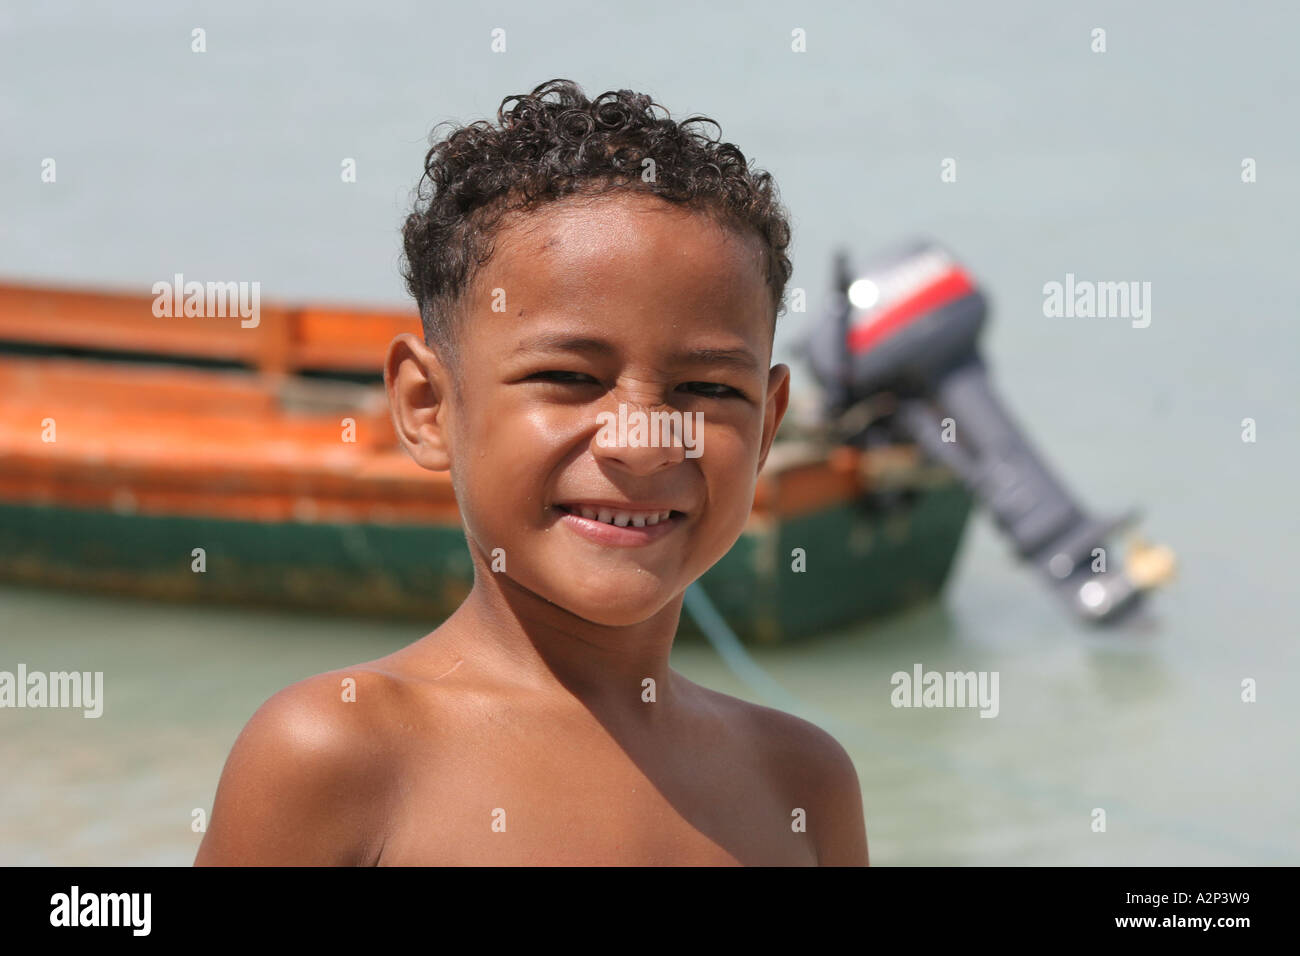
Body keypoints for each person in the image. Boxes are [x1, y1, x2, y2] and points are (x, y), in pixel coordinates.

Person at [194, 79, 868, 866]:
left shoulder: (801, 785)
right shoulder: (336, 753)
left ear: (767, 427)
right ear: (427, 406)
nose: (642, 442)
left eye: (709, 389)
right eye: (570, 378)